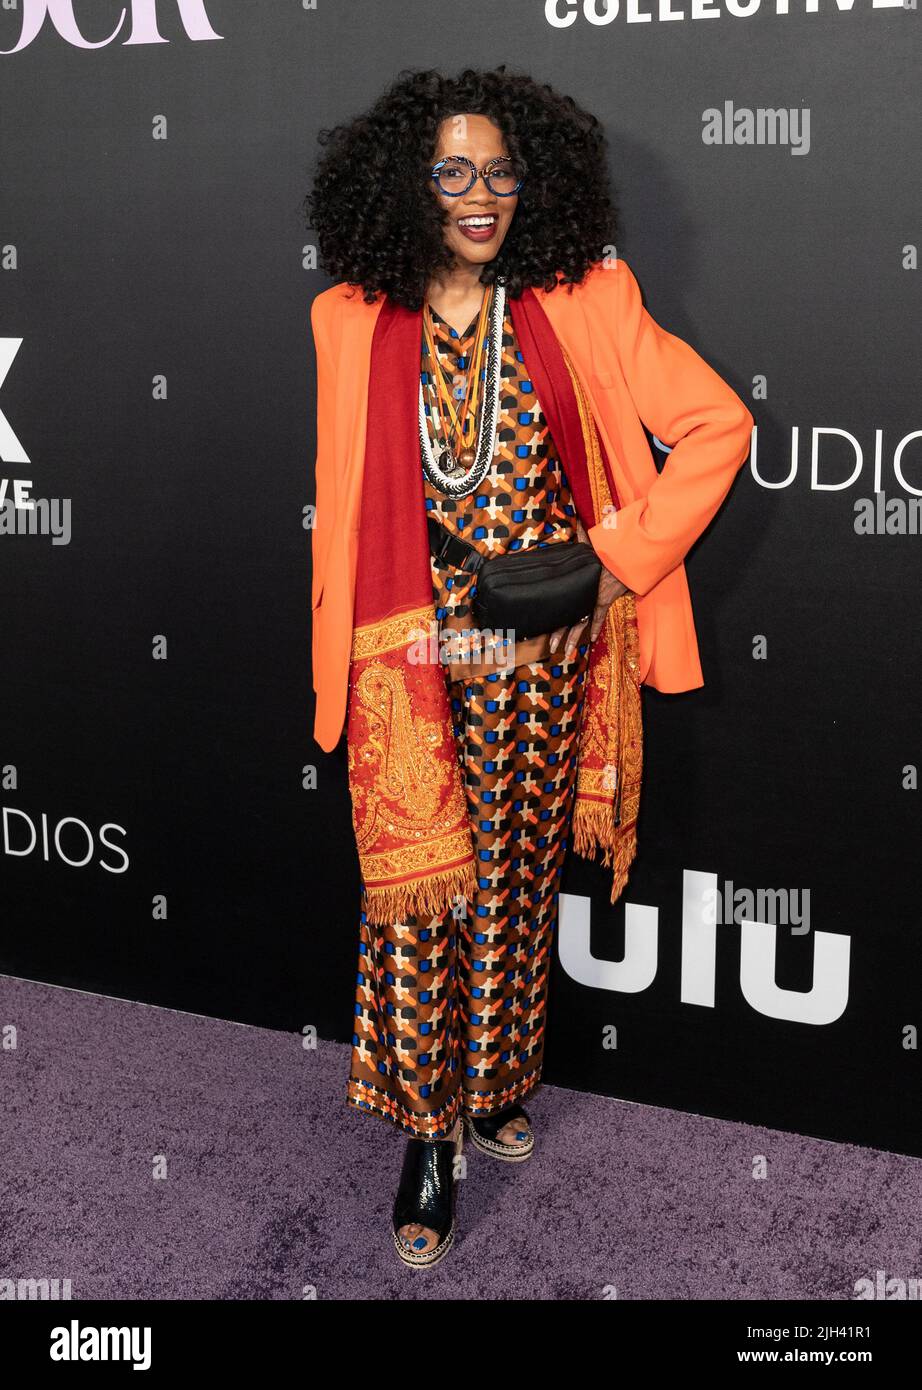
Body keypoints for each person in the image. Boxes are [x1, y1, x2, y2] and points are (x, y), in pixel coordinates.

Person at [304, 65, 754, 1267]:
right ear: (407, 182)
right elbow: (351, 503)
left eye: (500, 170)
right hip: (405, 647)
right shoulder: (347, 314)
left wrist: (614, 563)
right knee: (417, 895)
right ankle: (426, 1131)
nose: (478, 192)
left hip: (542, 645)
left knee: (506, 882)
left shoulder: (584, 294)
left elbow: (718, 424)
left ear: (533, 182)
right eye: (451, 170)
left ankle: (494, 1081)